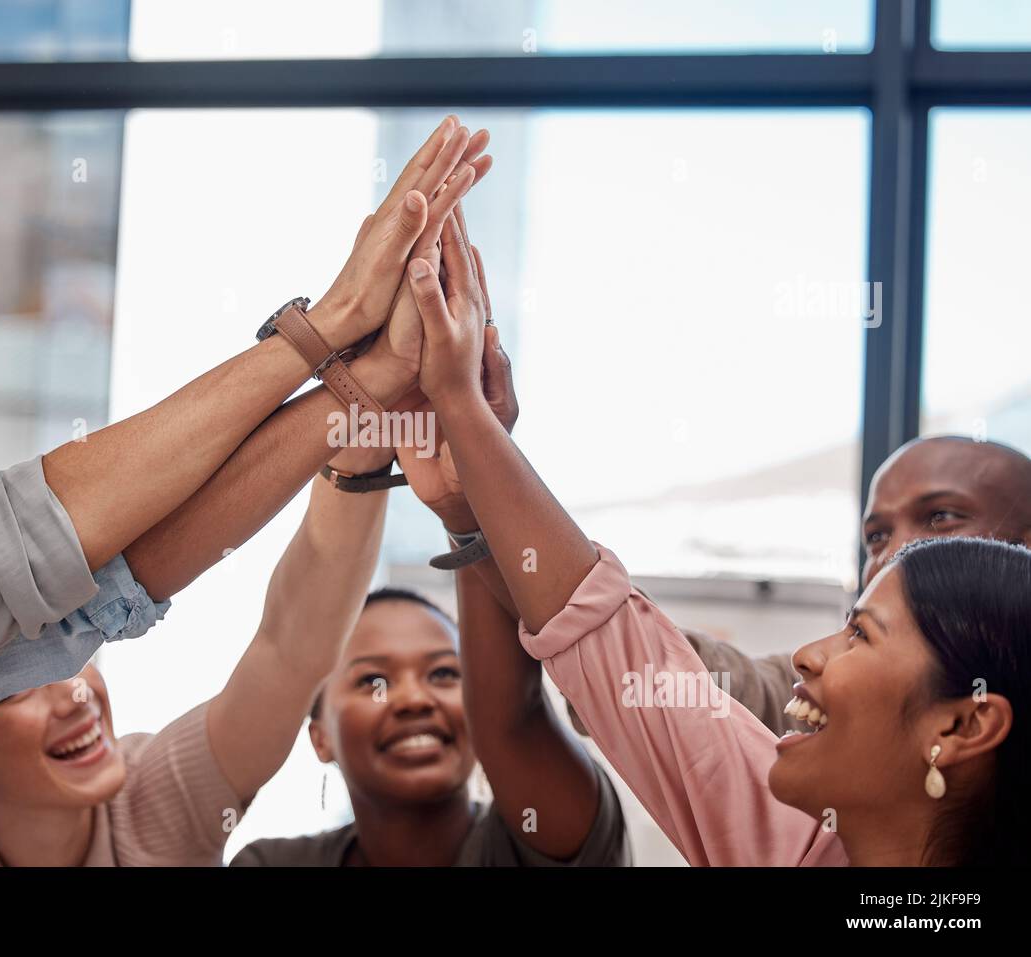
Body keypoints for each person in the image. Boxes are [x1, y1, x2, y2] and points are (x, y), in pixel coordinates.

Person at [0, 115, 490, 863]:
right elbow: (12, 568)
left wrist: (367, 383)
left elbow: (103, 588)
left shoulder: (149, 803)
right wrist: (328, 330)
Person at [400, 197, 1028, 866]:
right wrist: (471, 452)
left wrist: (468, 419)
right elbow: (615, 649)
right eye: (876, 535)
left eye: (862, 636)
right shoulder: (797, 835)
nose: (810, 656)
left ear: (965, 721)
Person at [231, 209, 628, 867]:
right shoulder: (271, 865)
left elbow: (516, 716)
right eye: (373, 681)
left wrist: (470, 475)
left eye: (446, 674)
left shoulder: (550, 839)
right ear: (319, 734)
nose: (414, 698)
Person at [0, 436, 393, 866]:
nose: (76, 694)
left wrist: (362, 449)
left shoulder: (155, 796)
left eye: (69, 660)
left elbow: (292, 649)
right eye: (18, 691)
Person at [687, 435, 1031, 735]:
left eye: (941, 517)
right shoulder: (843, 675)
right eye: (877, 537)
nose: (894, 554)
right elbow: (748, 689)